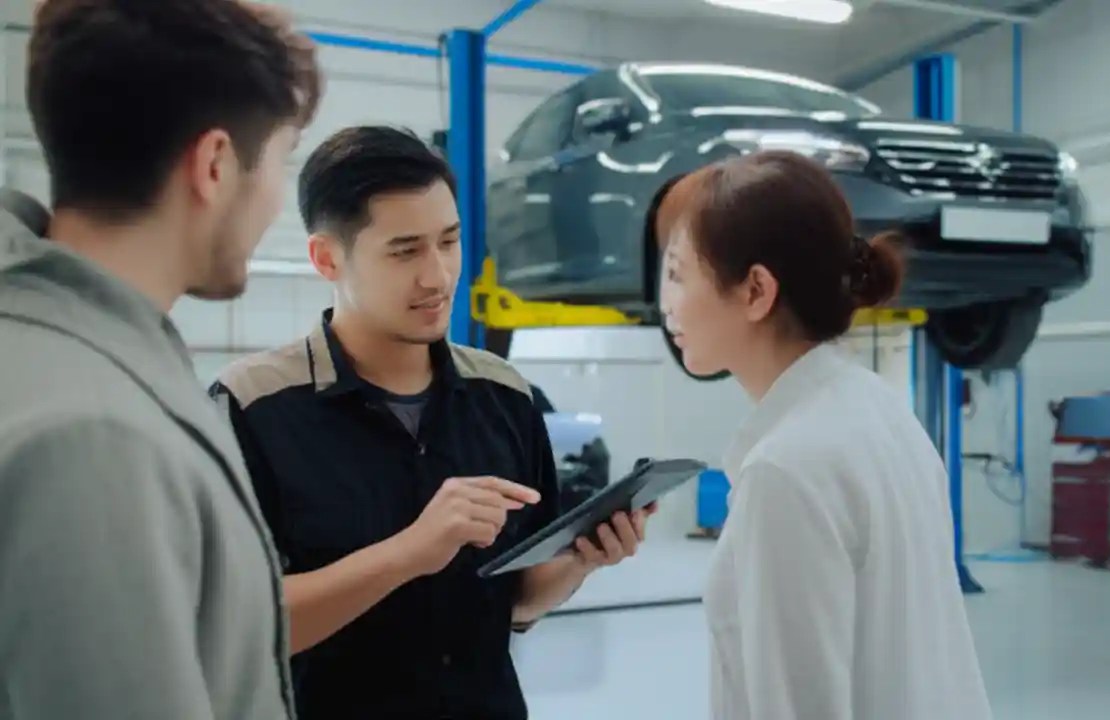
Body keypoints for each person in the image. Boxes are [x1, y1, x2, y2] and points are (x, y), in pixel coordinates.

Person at [209, 125, 653, 720]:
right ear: (326, 257)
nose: (439, 276)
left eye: (449, 242)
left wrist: (580, 559)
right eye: (405, 250)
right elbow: (239, 629)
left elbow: (516, 602)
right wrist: (410, 552)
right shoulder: (253, 407)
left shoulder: (506, 396)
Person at [0, 2, 321, 719]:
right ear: (213, 165)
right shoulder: (91, 437)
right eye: (279, 160)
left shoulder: (52, 352)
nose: (275, 200)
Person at [652, 150, 992, 720]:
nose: (665, 305)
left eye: (677, 275)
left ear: (756, 291)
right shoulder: (883, 414)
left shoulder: (785, 471)